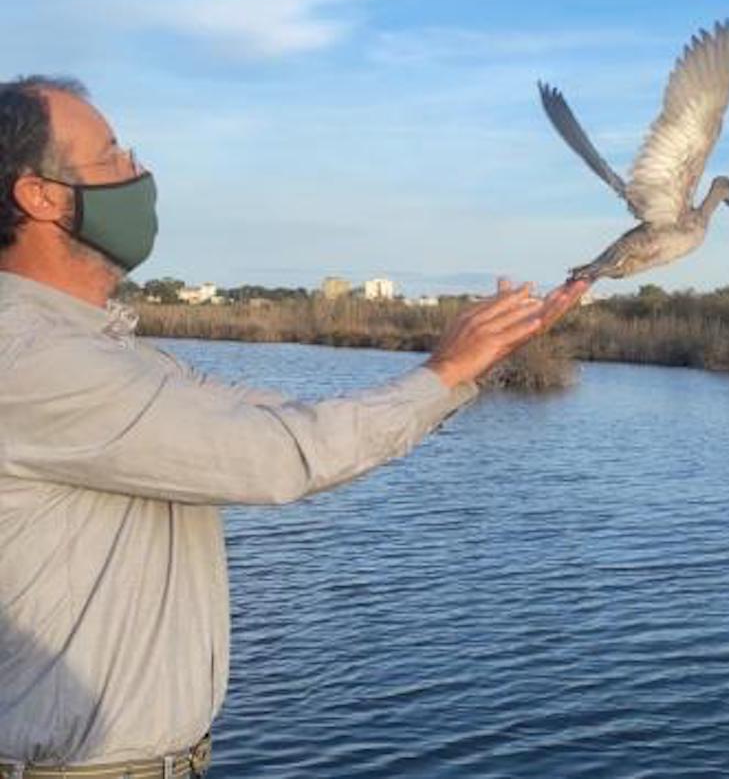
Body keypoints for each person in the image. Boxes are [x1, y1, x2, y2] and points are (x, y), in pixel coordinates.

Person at [0, 75, 589, 779]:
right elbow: (281, 456)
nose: (140, 172)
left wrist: (468, 366)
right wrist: (445, 372)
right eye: (113, 157)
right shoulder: (35, 359)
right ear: (40, 196)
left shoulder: (103, 352)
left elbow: (276, 417)